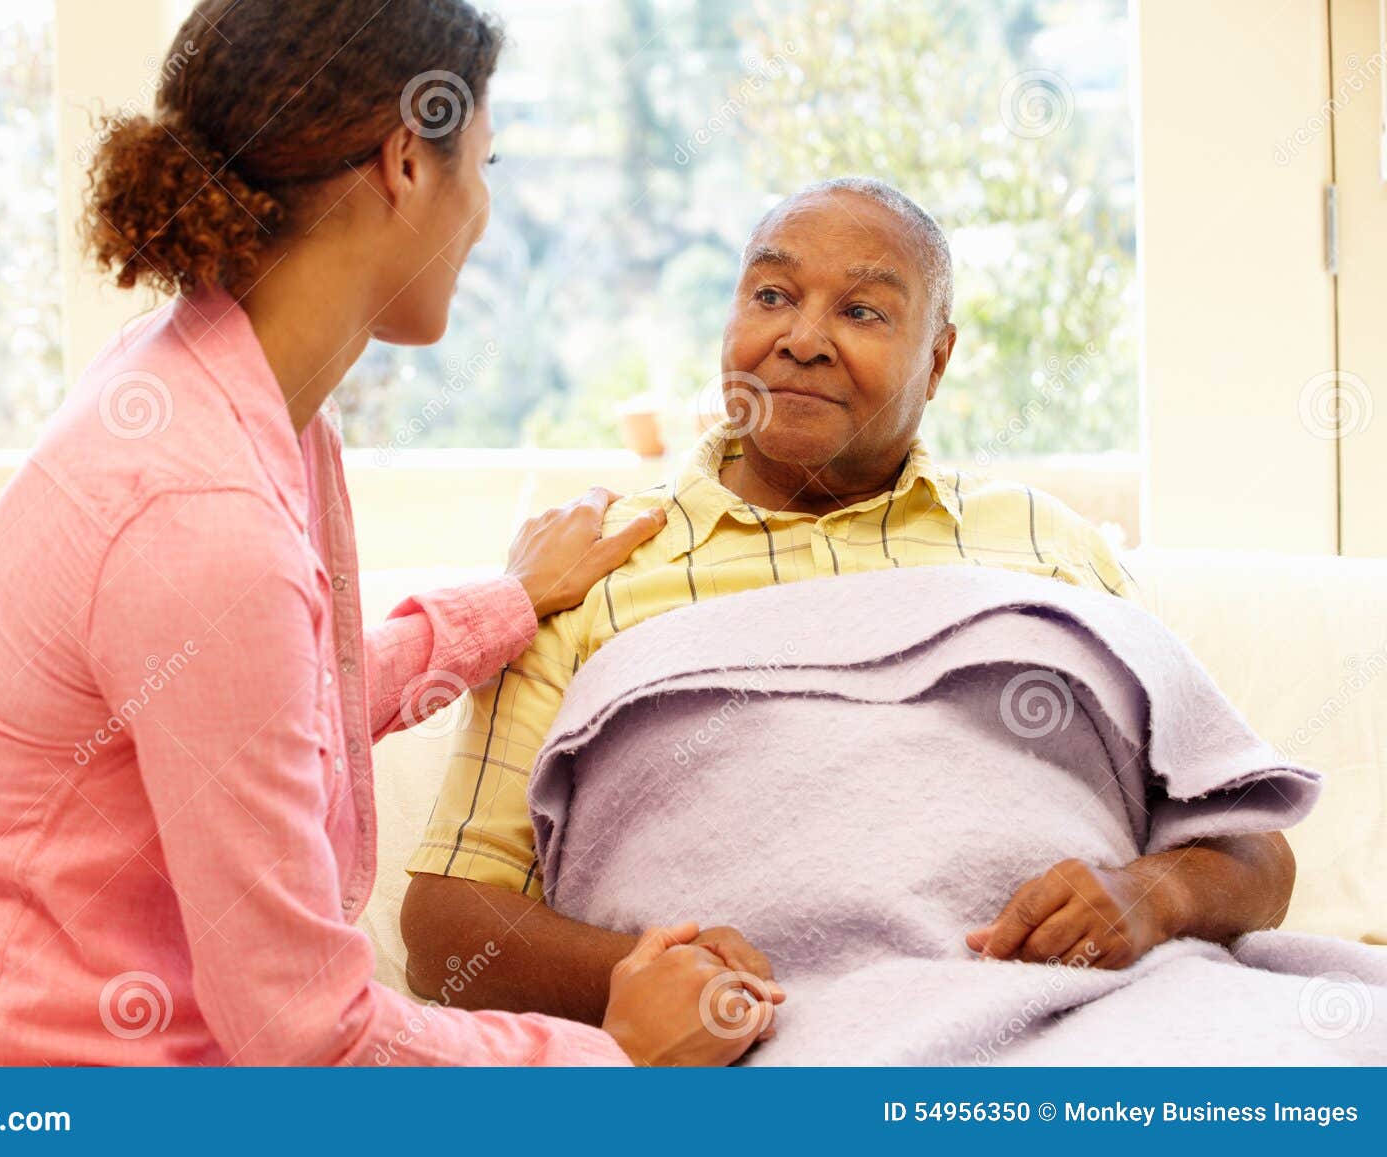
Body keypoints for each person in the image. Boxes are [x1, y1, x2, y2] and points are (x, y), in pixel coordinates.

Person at [0, 0, 781, 1068]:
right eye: (484, 160)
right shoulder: (197, 513)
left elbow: (268, 711)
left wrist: (504, 607)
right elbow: (309, 1039)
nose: (484, 210)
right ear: (404, 166)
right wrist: (615, 1056)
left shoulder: (231, 386)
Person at [402, 177, 1296, 1022]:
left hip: (1074, 1021)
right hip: (740, 1048)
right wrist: (644, 971)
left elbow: (1255, 852)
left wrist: (1155, 893)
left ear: (937, 360)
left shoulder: (1045, 543)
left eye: (862, 311)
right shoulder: (588, 568)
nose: (801, 339)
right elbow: (445, 930)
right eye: (771, 296)